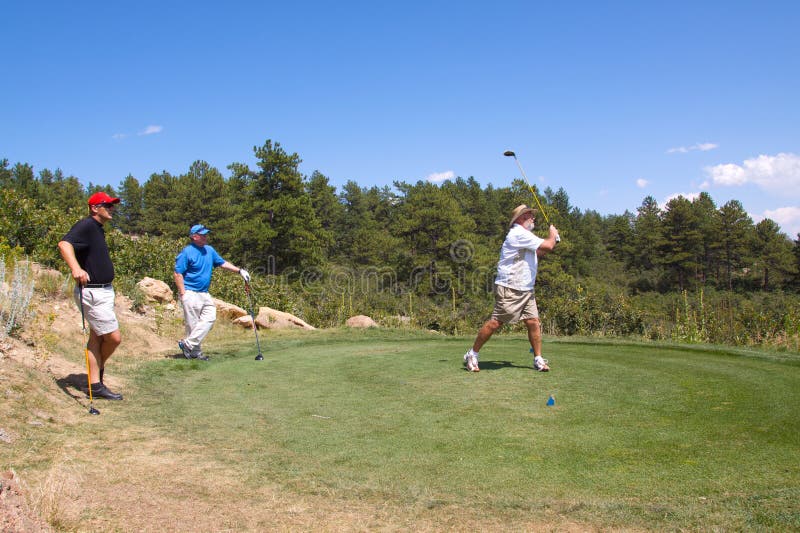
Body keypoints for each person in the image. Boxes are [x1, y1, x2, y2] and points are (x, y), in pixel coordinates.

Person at [464, 204, 559, 372]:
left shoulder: (525, 235)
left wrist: (553, 240)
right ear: (521, 218)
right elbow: (547, 246)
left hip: (526, 288)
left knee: (533, 322)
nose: (533, 218)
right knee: (495, 323)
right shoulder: (518, 233)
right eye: (530, 215)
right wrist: (552, 235)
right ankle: (472, 354)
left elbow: (539, 252)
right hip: (511, 287)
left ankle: (538, 359)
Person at [58, 191, 124, 400]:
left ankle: (95, 384)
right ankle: (96, 376)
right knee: (113, 338)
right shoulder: (86, 225)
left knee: (97, 338)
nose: (112, 208)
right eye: (108, 205)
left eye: (113, 205)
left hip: (102, 291)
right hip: (93, 292)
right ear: (95, 208)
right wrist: (76, 269)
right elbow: (64, 244)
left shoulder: (98, 229)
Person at [174, 224, 250, 360]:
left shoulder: (209, 250)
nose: (205, 237)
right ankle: (195, 353)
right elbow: (178, 273)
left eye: (206, 234)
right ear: (194, 236)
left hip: (204, 293)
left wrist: (239, 271)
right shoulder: (187, 252)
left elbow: (222, 263)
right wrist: (183, 294)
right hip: (190, 292)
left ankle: (188, 344)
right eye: (202, 235)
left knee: (210, 318)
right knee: (192, 325)